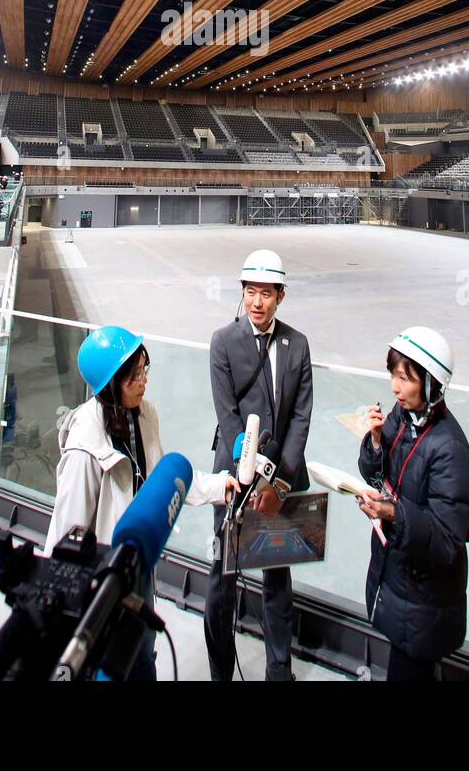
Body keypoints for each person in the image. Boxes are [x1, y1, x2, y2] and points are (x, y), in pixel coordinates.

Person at [45, 325, 237, 681]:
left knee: (141, 652)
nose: (143, 381)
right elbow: (66, 536)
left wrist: (219, 485)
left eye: (144, 370)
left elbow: (164, 480)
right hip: (100, 581)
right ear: (111, 384)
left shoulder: (143, 415)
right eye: (134, 376)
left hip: (136, 566)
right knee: (110, 662)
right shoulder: (83, 451)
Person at [205, 249, 313, 682]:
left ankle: (278, 670)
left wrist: (280, 481)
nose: (257, 301)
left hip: (280, 484)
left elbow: (301, 417)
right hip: (235, 477)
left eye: (266, 293)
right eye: (250, 291)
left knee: (277, 577)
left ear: (280, 296)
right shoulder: (223, 342)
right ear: (242, 293)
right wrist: (249, 475)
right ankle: (219, 673)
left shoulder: (297, 343)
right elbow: (227, 414)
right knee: (223, 577)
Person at [356, 327, 469, 683]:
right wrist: (376, 443)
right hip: (401, 580)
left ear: (430, 384)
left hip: (424, 596)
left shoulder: (449, 450)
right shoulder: (401, 417)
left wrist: (393, 512)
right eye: (393, 376)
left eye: (404, 379)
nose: (394, 387)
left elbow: (445, 542)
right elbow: (377, 477)